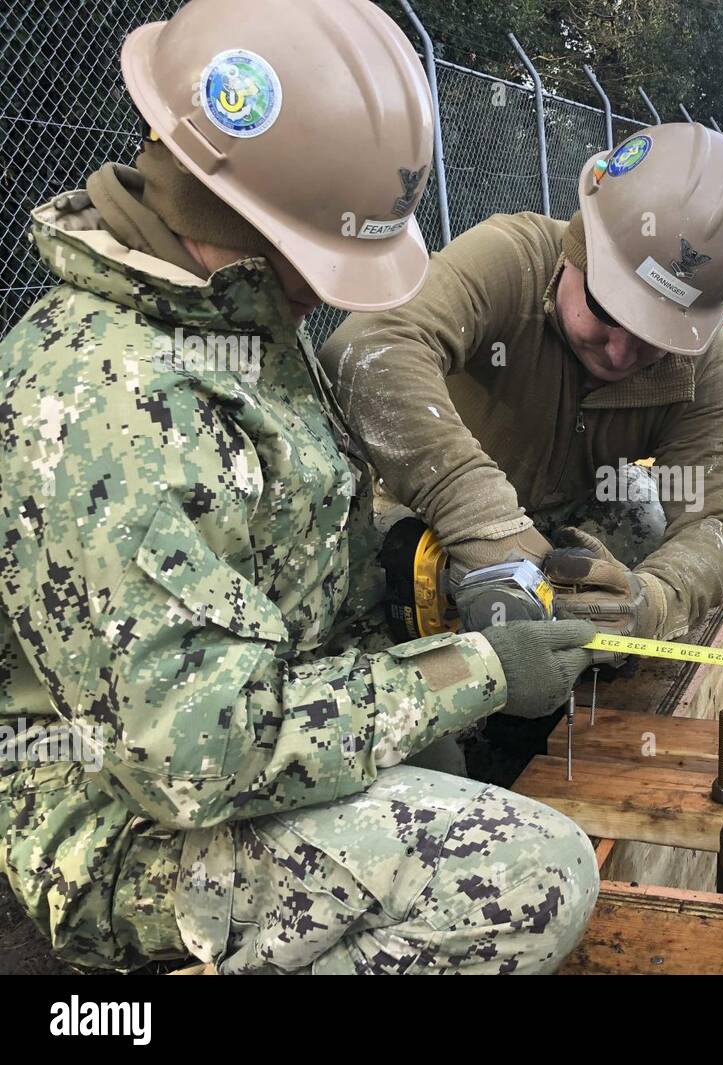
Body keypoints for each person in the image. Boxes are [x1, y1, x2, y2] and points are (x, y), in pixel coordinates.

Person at [0, 0, 598, 973]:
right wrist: (476, 670)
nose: (326, 290)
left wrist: (421, 578)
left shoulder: (221, 319)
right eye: (314, 258)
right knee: (532, 871)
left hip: (223, 749)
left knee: (446, 769)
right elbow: (198, 753)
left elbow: (270, 539)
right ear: (224, 212)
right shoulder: (114, 413)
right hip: (124, 833)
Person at [318, 123, 723, 657]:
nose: (620, 354)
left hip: (560, 528)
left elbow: (712, 521)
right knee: (403, 581)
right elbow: (366, 349)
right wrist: (483, 521)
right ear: (579, 247)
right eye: (605, 311)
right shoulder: (512, 259)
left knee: (638, 520)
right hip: (424, 513)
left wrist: (655, 603)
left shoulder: (707, 366)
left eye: (654, 340)